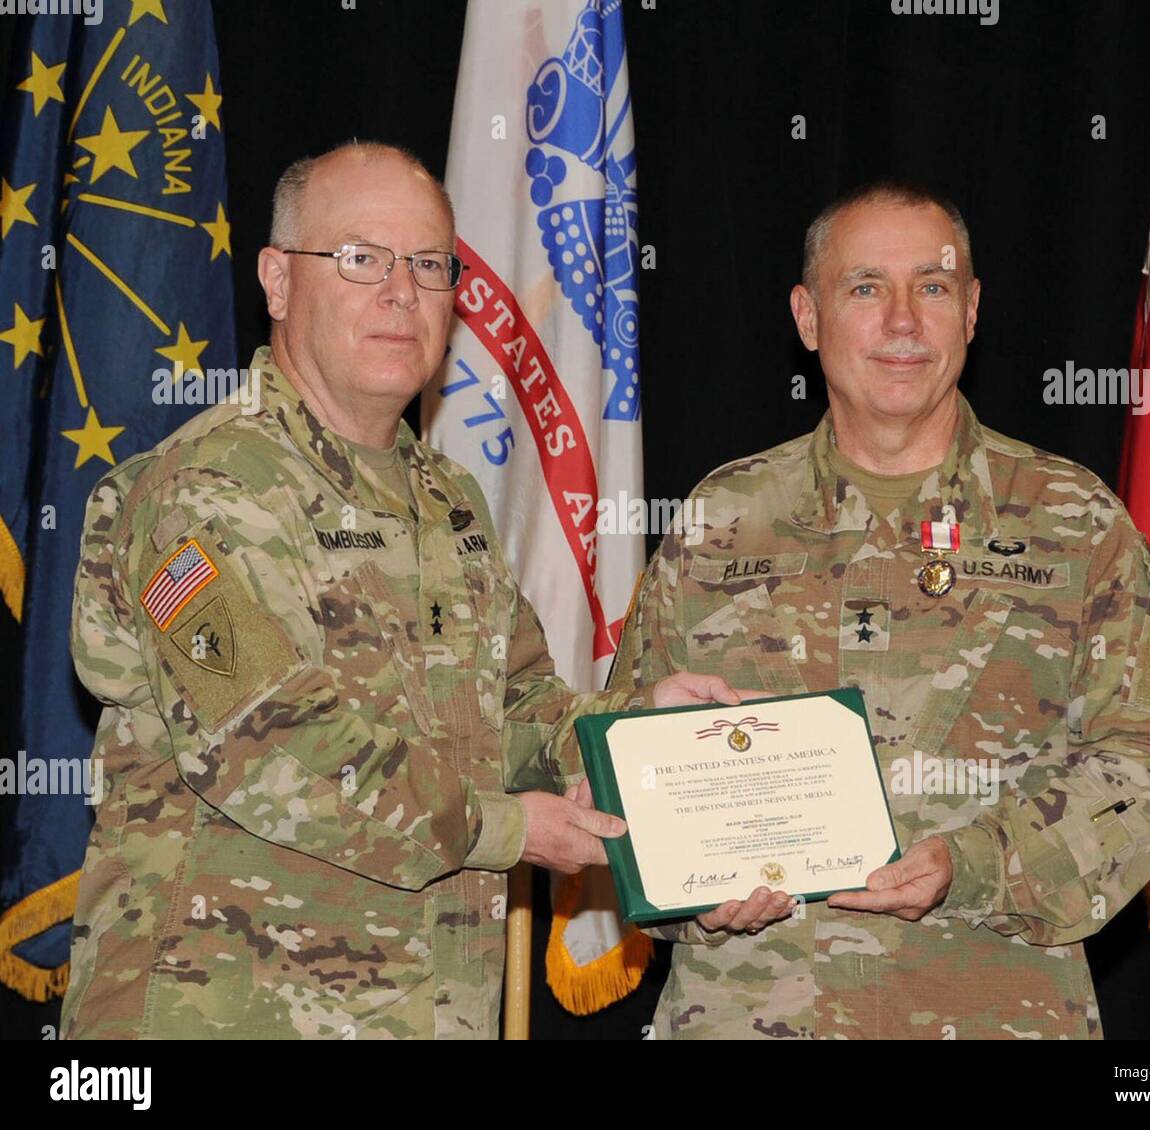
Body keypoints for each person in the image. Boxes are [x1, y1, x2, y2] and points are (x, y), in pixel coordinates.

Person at [61, 141, 768, 1040]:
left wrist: (632, 739)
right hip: (225, 1012)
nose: (402, 292)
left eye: (430, 265)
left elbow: (513, 715)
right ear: (278, 282)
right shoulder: (203, 488)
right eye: (360, 258)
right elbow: (265, 747)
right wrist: (514, 832)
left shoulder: (446, 500)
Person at [609, 180, 1150, 1039]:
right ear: (808, 317)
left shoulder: (1074, 521)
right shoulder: (717, 521)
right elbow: (629, 752)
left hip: (997, 1010)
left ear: (970, 311)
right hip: (750, 1012)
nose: (902, 320)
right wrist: (692, 898)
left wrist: (976, 865)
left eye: (931, 287)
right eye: (865, 287)